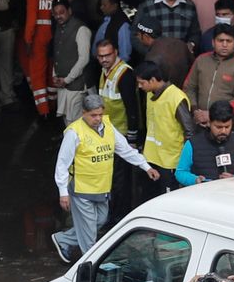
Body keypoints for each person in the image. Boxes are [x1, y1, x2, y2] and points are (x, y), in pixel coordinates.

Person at [52, 93, 156, 264]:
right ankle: (90, 266)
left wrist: (145, 166)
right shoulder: (74, 133)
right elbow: (62, 164)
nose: (98, 118)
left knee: (99, 221)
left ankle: (65, 239)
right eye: (93, 115)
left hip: (102, 188)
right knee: (89, 235)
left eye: (100, 114)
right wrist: (63, 192)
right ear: (83, 113)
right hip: (81, 189)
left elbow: (124, 149)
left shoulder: (108, 127)